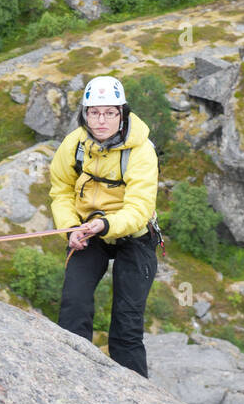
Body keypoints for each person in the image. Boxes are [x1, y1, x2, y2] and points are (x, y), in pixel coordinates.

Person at [48, 75, 160, 379]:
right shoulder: (74, 145)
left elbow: (139, 209)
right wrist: (70, 228)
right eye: (94, 112)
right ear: (84, 114)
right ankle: (72, 380)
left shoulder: (141, 151)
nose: (101, 120)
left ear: (122, 113)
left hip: (134, 235)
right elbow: (60, 191)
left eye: (110, 112)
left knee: (126, 328)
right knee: (73, 311)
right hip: (88, 233)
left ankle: (140, 401)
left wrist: (105, 223)